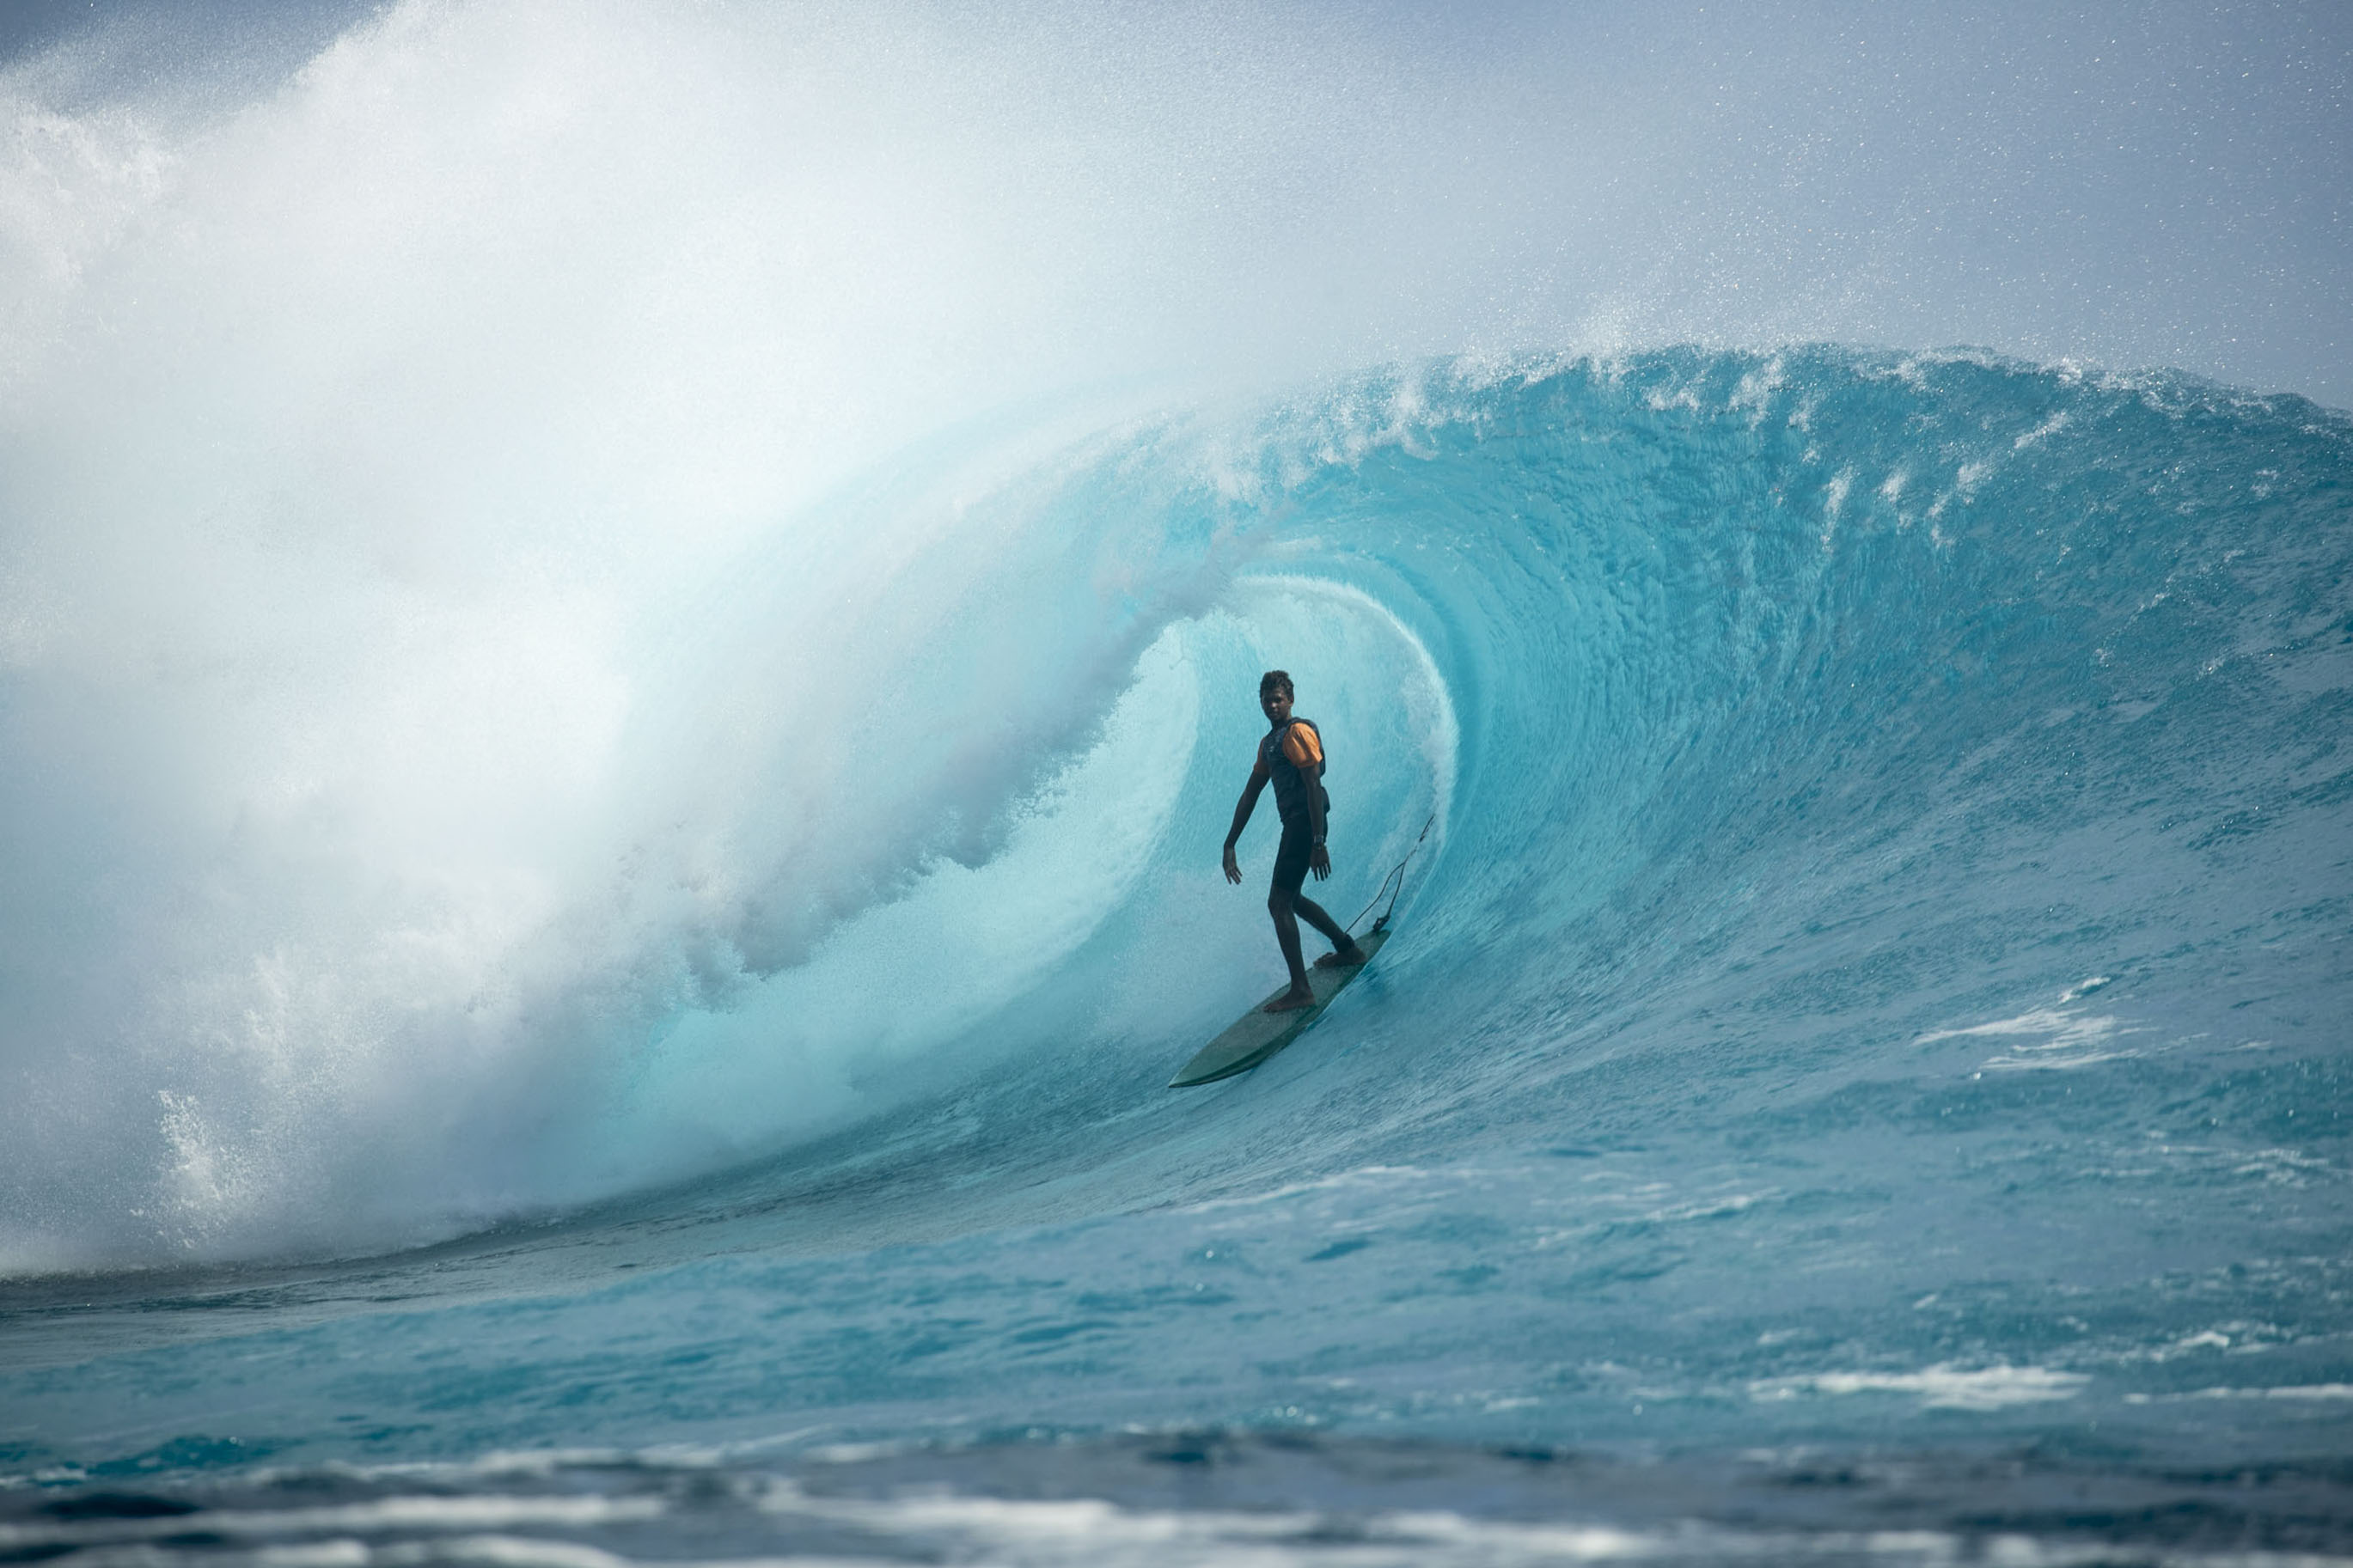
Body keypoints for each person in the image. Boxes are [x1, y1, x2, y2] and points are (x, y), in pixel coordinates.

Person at [1222, 669, 1367, 1011]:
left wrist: (1318, 842)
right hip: (1296, 825)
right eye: (1266, 700)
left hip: (1305, 825)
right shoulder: (1269, 744)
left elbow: (1313, 785)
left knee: (1278, 904)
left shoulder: (1297, 733)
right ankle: (1347, 949)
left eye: (1278, 699)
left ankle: (1301, 990)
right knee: (1292, 900)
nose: (1272, 705)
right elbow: (1250, 794)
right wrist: (1230, 843)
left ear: (1290, 700)